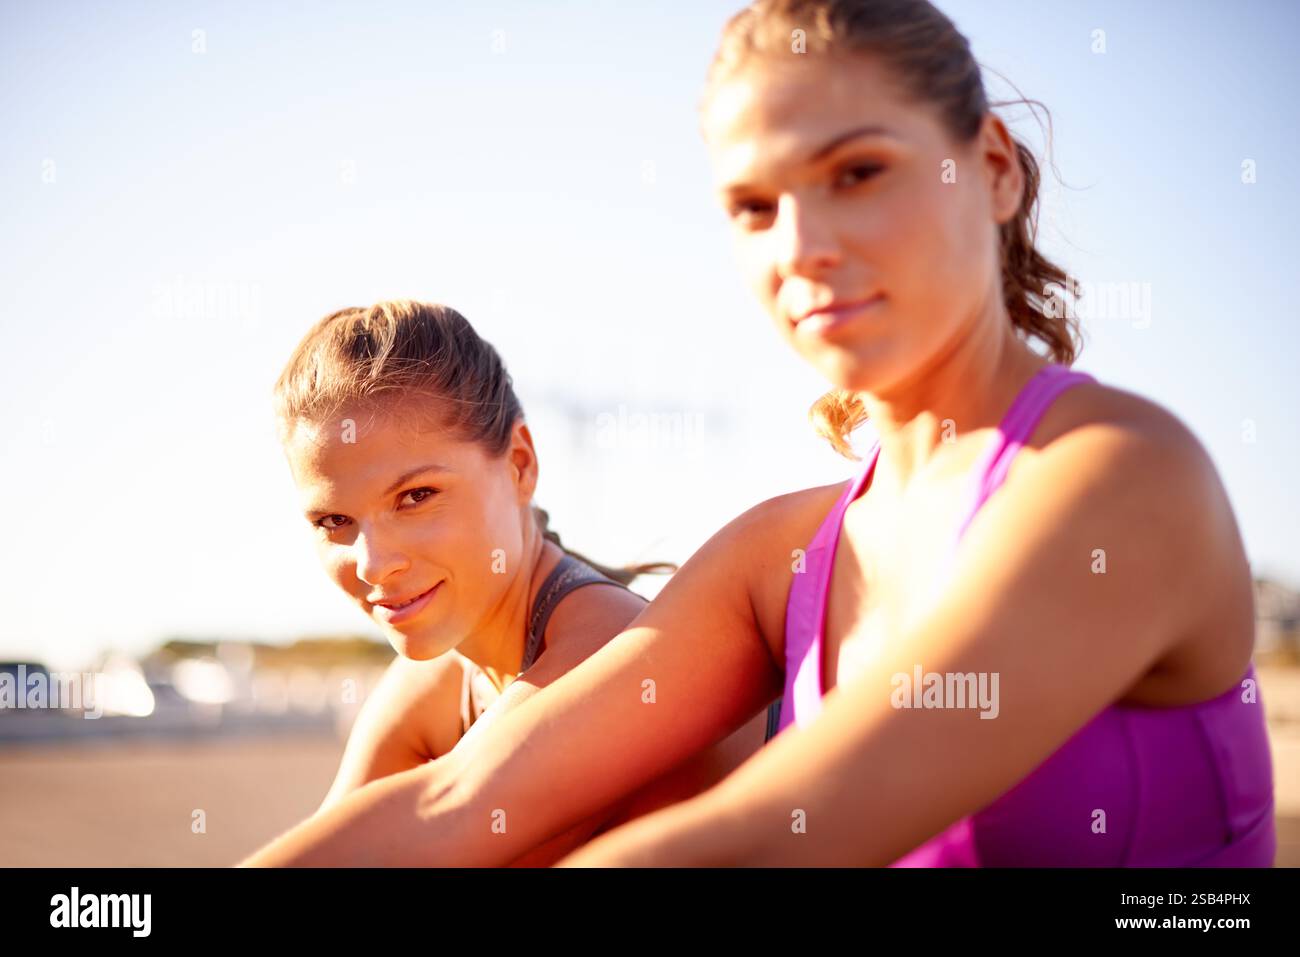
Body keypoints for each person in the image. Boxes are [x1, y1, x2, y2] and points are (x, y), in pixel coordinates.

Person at [240, 0, 1274, 867]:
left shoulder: (1119, 478)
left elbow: (780, 835)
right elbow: (451, 803)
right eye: (751, 206)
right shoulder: (773, 559)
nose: (802, 245)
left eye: (856, 172)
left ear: (992, 169)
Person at [261, 299, 773, 866]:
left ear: (521, 465)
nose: (374, 564)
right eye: (334, 521)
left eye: (416, 497)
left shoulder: (607, 642)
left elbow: (440, 817)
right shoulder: (436, 686)